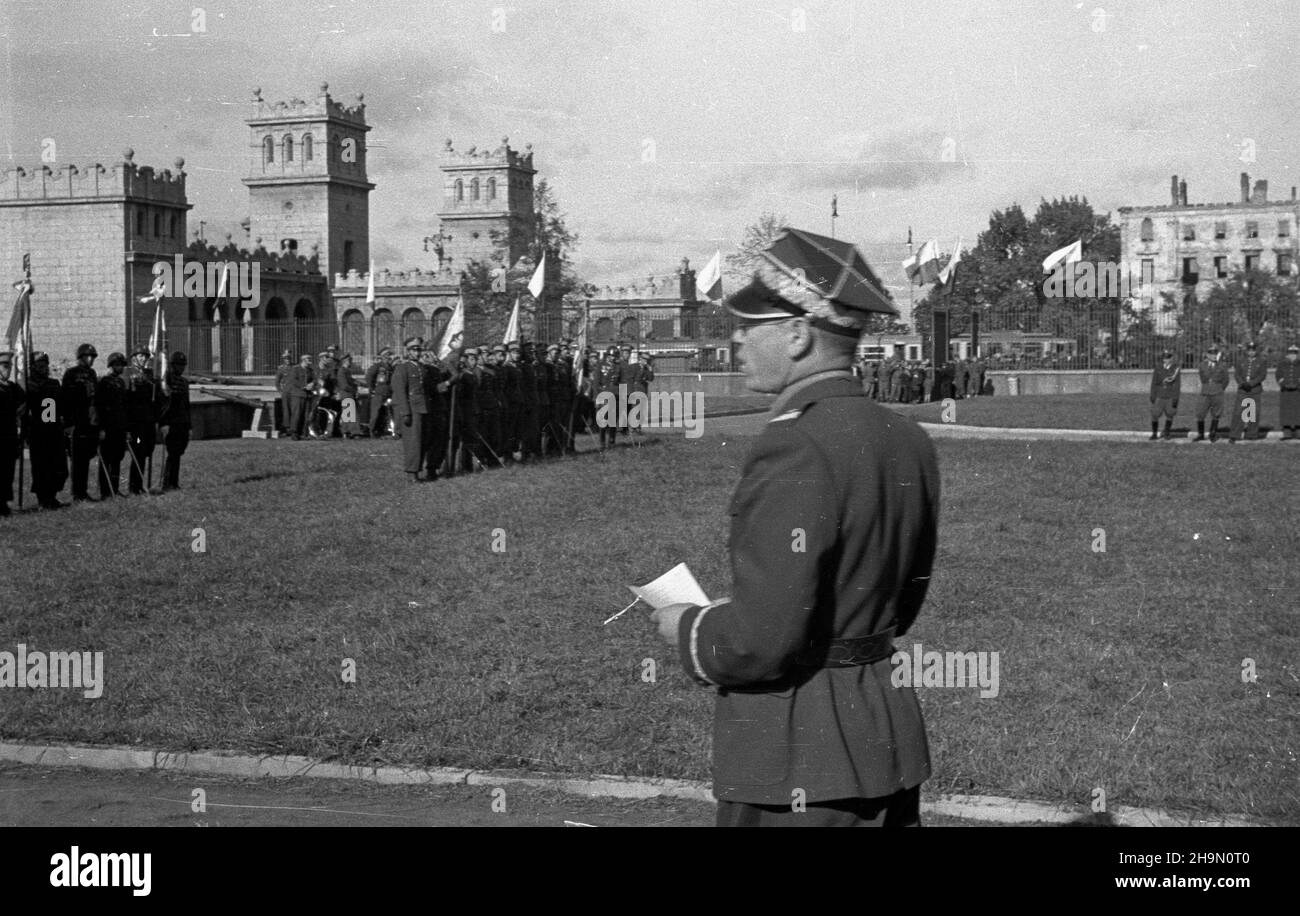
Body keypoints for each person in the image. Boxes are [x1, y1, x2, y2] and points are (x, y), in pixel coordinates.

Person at [651, 228, 938, 827]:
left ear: (799, 334)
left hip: (800, 753)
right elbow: (901, 603)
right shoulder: (907, 439)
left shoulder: (795, 444)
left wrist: (689, 627)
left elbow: (761, 642)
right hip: (882, 733)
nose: (737, 338)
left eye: (750, 324)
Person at [23, 352, 68, 509]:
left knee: (59, 465)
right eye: (39, 365)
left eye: (45, 365)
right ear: (33, 367)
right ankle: (43, 498)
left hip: (54, 428)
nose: (43, 368)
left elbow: (61, 404)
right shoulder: (28, 385)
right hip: (39, 430)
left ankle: (53, 495)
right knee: (42, 466)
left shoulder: (54, 383)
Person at [61, 342, 100, 501]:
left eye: (92, 357)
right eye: (87, 356)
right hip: (76, 421)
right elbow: (66, 400)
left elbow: (94, 398)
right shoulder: (71, 374)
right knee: (77, 459)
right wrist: (68, 423)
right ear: (81, 357)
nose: (90, 359)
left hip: (90, 422)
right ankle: (77, 493)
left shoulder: (92, 374)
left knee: (86, 458)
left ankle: (83, 491)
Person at [390, 337, 431, 482]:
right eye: (414, 350)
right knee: (413, 442)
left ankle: (418, 469)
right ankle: (412, 472)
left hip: (422, 408)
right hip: (412, 409)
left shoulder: (421, 368)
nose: (417, 352)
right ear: (408, 351)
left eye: (419, 349)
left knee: (422, 441)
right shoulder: (402, 368)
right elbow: (400, 391)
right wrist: (405, 412)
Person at [122, 345, 159, 493]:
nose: (143, 359)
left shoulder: (150, 374)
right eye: (140, 356)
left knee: (147, 451)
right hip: (135, 423)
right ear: (134, 358)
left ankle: (140, 485)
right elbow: (125, 399)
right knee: (138, 451)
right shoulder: (127, 373)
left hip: (148, 422)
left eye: (145, 356)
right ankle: (134, 487)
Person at [95, 352, 129, 498]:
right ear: (111, 365)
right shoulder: (104, 382)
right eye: (117, 364)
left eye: (121, 364)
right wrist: (101, 427)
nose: (120, 367)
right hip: (108, 426)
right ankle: (105, 491)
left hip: (120, 426)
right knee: (106, 458)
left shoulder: (121, 383)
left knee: (117, 458)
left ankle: (114, 488)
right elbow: (100, 406)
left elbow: (124, 406)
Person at [158, 351, 191, 491]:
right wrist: (164, 423)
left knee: (178, 453)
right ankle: (168, 482)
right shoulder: (167, 381)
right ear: (172, 365)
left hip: (182, 422)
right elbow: (163, 405)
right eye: (178, 365)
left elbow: (187, 405)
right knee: (172, 453)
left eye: (183, 365)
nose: (181, 368)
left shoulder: (184, 382)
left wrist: (189, 426)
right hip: (171, 422)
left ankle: (174, 482)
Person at [1229, 341, 1268, 442]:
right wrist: (1242, 383)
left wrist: (1251, 383)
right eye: (1249, 350)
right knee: (1239, 412)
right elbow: (1237, 374)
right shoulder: (1240, 360)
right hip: (1243, 390)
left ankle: (1252, 434)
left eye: (1253, 350)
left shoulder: (1261, 361)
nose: (1251, 352)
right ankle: (1235, 434)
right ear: (1247, 351)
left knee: (1253, 413)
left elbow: (1262, 375)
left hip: (1255, 390)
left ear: (1256, 351)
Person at [0, 350, 20, 517]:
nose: (8, 369)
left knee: (8, 472)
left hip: (10, 435)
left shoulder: (12, 388)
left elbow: (25, 400)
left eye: (10, 366)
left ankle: (4, 504)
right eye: (5, 366)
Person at [1195, 345, 1229, 442]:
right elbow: (1202, 378)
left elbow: (1226, 380)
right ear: (1207, 355)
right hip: (1205, 391)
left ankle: (1212, 433)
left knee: (1216, 413)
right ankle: (1200, 434)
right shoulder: (1202, 365)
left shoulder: (1222, 365)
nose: (1214, 356)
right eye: (1211, 354)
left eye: (1215, 354)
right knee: (1200, 412)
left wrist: (1219, 388)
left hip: (1217, 391)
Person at [1148, 350, 1180, 441]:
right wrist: (1153, 395)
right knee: (1155, 414)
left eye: (1168, 358)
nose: (1166, 360)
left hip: (1170, 395)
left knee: (1170, 414)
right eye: (1164, 358)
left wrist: (1175, 398)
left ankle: (1167, 433)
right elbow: (1154, 383)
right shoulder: (1158, 368)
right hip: (1159, 395)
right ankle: (1154, 434)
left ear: (1171, 359)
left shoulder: (1175, 369)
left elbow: (1177, 385)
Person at [365, 348, 395, 438]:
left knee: (384, 412)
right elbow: (369, 376)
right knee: (375, 412)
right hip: (379, 391)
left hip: (388, 392)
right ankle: (372, 430)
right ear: (382, 357)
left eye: (389, 356)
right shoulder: (377, 366)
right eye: (387, 356)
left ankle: (381, 429)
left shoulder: (390, 367)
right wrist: (371, 388)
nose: (389, 357)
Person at [285, 354, 315, 440]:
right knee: (297, 414)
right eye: (308, 359)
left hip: (307, 395)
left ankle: (303, 433)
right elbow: (293, 380)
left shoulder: (310, 370)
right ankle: (294, 432)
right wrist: (304, 386)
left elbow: (314, 379)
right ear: (303, 360)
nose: (310, 360)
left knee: (306, 415)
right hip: (297, 395)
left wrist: (313, 384)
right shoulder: (295, 369)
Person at [1276, 344, 1300, 440]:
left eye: (1294, 353)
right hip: (1285, 390)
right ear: (1287, 354)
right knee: (1286, 410)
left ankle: (1298, 429)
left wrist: (1297, 385)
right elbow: (1278, 375)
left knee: (1297, 410)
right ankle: (1287, 431)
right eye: (1291, 353)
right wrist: (1284, 384)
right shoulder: (1282, 363)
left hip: (1297, 391)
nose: (1292, 355)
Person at [334, 353, 361, 438]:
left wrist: (358, 383)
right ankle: (354, 432)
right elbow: (344, 385)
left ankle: (346, 431)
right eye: (350, 360)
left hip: (348, 394)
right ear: (345, 361)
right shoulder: (342, 371)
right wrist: (354, 390)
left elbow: (351, 380)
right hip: (346, 394)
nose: (351, 362)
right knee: (351, 414)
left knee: (347, 413)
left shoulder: (347, 371)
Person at [274, 349, 294, 434]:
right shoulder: (281, 369)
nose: (287, 360)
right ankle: (287, 428)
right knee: (286, 410)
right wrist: (281, 391)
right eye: (286, 358)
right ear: (283, 359)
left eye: (289, 358)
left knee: (294, 409)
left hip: (294, 391)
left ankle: (294, 427)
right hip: (286, 392)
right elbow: (277, 382)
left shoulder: (295, 367)